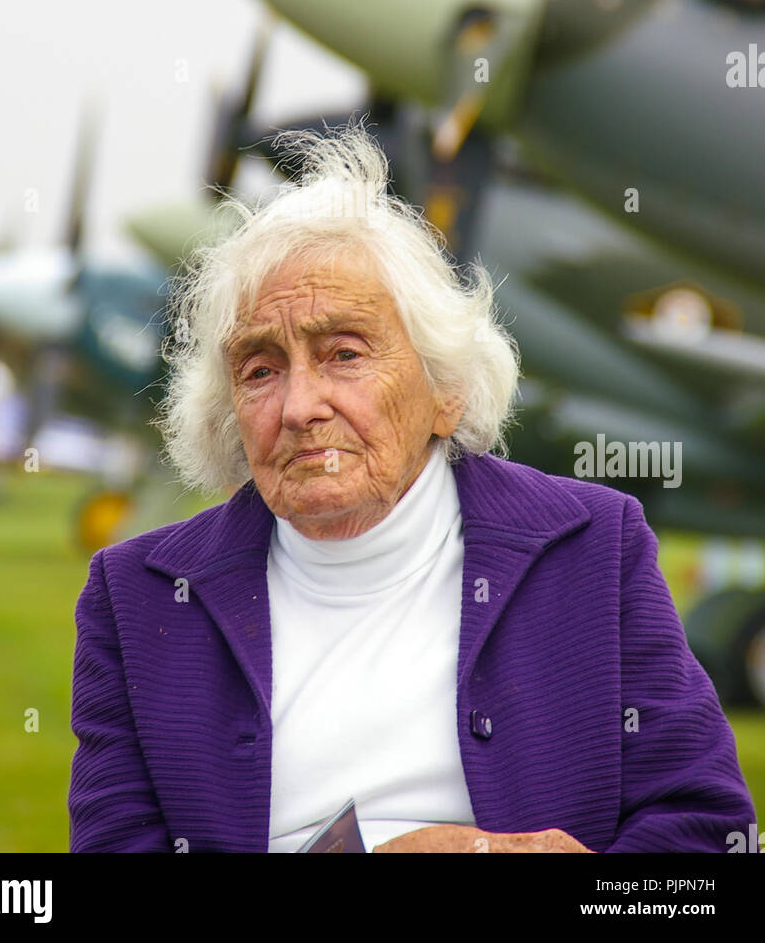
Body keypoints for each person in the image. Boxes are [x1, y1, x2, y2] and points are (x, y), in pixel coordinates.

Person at [68, 124, 755, 852]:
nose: (300, 407)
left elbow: (706, 836)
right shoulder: (135, 600)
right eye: (261, 370)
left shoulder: (593, 547)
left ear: (445, 391)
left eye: (345, 354)